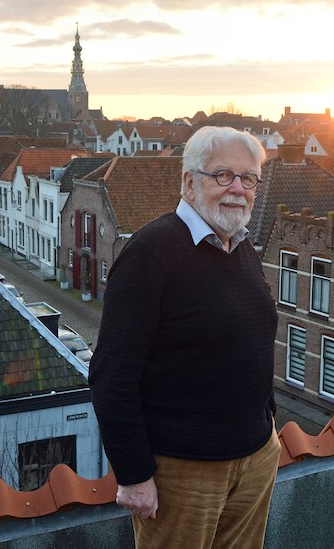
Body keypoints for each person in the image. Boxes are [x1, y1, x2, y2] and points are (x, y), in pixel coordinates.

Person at [89, 126, 280, 548]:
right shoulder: (150, 254)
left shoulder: (242, 247)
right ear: (189, 183)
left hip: (254, 457)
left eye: (248, 179)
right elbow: (111, 375)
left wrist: (268, 425)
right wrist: (134, 474)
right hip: (184, 470)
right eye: (222, 175)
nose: (237, 189)